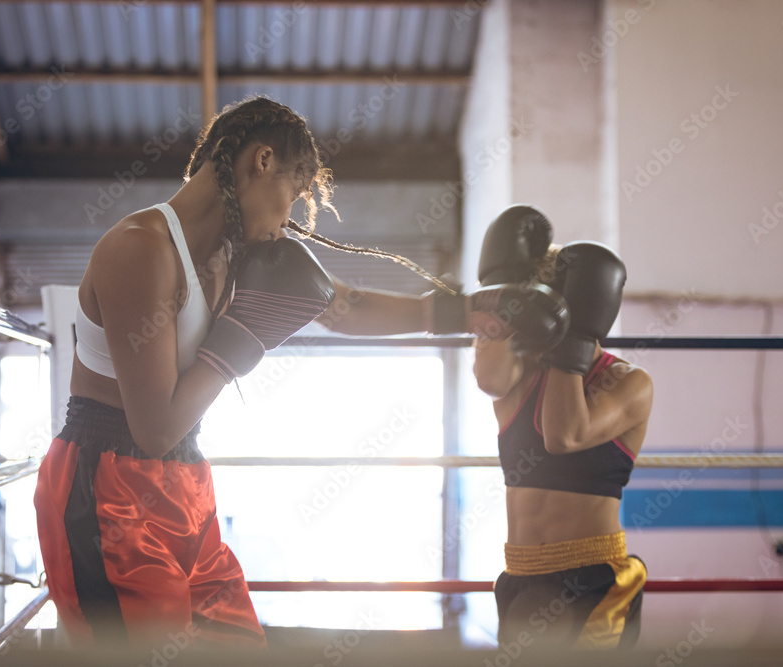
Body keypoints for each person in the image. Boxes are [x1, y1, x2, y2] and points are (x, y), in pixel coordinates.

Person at [33, 97, 568, 649]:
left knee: (237, 648)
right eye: (294, 193)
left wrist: (469, 310)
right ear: (261, 161)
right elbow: (154, 429)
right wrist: (244, 338)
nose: (289, 218)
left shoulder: (233, 254)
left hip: (182, 482)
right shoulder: (140, 249)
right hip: (105, 488)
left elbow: (343, 307)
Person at [470, 212, 654, 650]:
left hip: (593, 578)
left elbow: (564, 436)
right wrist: (505, 300)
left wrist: (573, 340)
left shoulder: (630, 382)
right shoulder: (517, 372)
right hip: (521, 575)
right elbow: (488, 379)